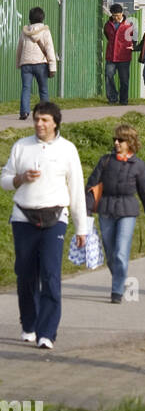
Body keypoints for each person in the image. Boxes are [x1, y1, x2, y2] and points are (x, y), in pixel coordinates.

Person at [0, 101, 87, 349]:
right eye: (37, 119)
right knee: (26, 275)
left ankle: (47, 332)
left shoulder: (68, 150)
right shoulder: (22, 146)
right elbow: (4, 180)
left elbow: (77, 189)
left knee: (50, 275)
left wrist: (82, 228)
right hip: (23, 217)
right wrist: (20, 178)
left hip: (55, 218)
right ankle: (29, 324)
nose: (39, 123)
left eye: (44, 120)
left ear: (55, 123)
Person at [86, 123, 145, 302]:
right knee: (110, 254)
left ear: (130, 142)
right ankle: (121, 278)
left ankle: (117, 291)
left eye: (120, 140)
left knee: (120, 253)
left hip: (127, 211)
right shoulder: (106, 160)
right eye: (114, 139)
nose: (116, 142)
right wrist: (87, 208)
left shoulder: (138, 165)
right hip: (106, 209)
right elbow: (91, 185)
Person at [16, 7, 57, 120]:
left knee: (26, 88)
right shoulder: (45, 31)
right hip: (40, 64)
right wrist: (52, 66)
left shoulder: (25, 32)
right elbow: (49, 48)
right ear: (42, 18)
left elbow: (19, 48)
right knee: (43, 89)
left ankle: (24, 112)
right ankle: (45, 113)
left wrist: (18, 63)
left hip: (26, 64)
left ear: (30, 18)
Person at [103, 4, 135, 106]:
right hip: (111, 56)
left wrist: (132, 46)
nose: (116, 18)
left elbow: (134, 39)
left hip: (124, 56)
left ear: (122, 13)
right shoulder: (107, 25)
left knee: (124, 80)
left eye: (117, 15)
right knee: (109, 76)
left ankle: (123, 100)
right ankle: (112, 98)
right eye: (113, 16)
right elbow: (107, 36)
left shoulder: (129, 25)